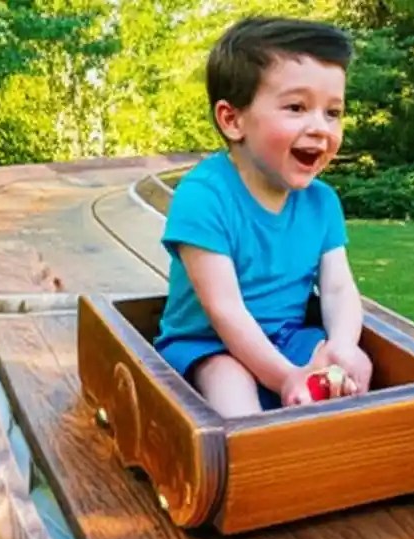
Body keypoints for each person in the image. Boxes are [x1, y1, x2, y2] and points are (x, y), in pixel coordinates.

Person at [152, 16, 372, 418]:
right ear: (233, 120)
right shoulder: (204, 197)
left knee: (347, 371)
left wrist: (342, 343)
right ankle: (254, 464)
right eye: (296, 107)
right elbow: (225, 311)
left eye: (333, 112)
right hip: (209, 344)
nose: (320, 128)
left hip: (287, 337)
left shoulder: (321, 202)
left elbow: (339, 289)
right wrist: (286, 376)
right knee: (230, 382)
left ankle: (349, 459)